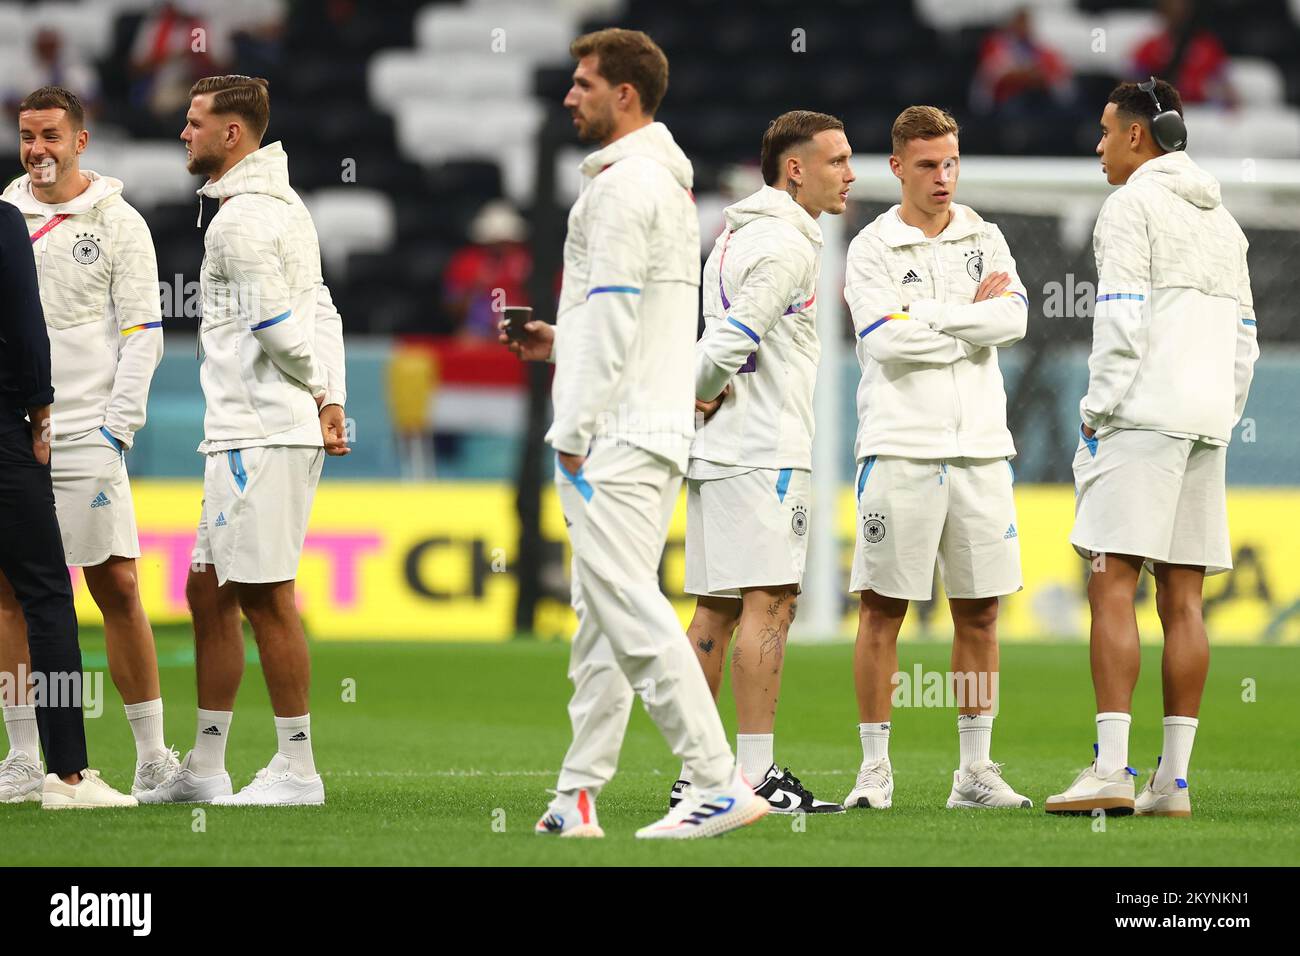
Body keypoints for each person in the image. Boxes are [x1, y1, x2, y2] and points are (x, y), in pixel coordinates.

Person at [502, 28, 768, 840]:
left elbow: (617, 309)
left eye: (584, 83)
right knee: (602, 617)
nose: (569, 96)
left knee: (625, 604)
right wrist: (564, 340)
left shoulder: (619, 190)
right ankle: (577, 795)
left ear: (626, 95)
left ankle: (717, 781)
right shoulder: (662, 184)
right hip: (649, 422)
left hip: (613, 431)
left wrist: (576, 423)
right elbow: (632, 313)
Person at [1046, 80, 1257, 817]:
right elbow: (1246, 343)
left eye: (1107, 131)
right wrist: (1220, 414)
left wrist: (1098, 409)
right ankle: (1173, 783)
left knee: (1111, 583)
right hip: (1204, 423)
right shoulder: (1225, 223)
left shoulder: (1130, 206)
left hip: (1140, 418)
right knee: (1184, 598)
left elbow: (1123, 320)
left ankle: (1110, 769)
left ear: (1139, 137)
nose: (1099, 145)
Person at [141, 74, 349, 806]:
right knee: (208, 591)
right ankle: (205, 768)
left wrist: (321, 390)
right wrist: (333, 395)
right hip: (252, 430)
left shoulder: (238, 222)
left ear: (234, 134)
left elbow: (279, 327)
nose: (183, 133)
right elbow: (324, 308)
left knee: (266, 597)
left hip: (259, 433)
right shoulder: (287, 210)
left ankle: (298, 769)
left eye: (195, 122)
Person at [842, 105, 1033, 812]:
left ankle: (974, 774)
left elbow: (1014, 318)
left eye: (951, 162)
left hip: (982, 448)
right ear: (897, 168)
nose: (943, 177)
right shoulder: (870, 247)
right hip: (901, 446)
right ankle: (873, 771)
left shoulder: (987, 235)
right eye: (927, 165)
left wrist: (928, 317)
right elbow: (882, 341)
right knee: (883, 610)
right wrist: (970, 325)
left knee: (980, 614)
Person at [671, 110, 854, 815]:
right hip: (763, 449)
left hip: (724, 454)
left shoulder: (732, 239)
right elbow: (729, 339)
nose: (851, 173)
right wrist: (693, 394)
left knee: (713, 613)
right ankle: (752, 776)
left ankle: (699, 773)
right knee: (769, 604)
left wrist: (698, 400)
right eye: (836, 160)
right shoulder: (784, 246)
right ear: (795, 168)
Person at [0, 86, 174, 801]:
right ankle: (21, 756)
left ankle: (152, 754)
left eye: (50, 135)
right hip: (14, 430)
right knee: (12, 594)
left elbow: (144, 333)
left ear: (81, 141)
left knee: (119, 585)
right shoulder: (6, 213)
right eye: (26, 136)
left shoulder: (118, 221)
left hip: (86, 432)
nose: (37, 149)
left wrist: (114, 427)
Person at [0, 192, 136, 809]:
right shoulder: (4, 222)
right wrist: (40, 407)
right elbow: (27, 328)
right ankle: (68, 777)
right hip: (6, 428)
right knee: (47, 595)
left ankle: (24, 762)